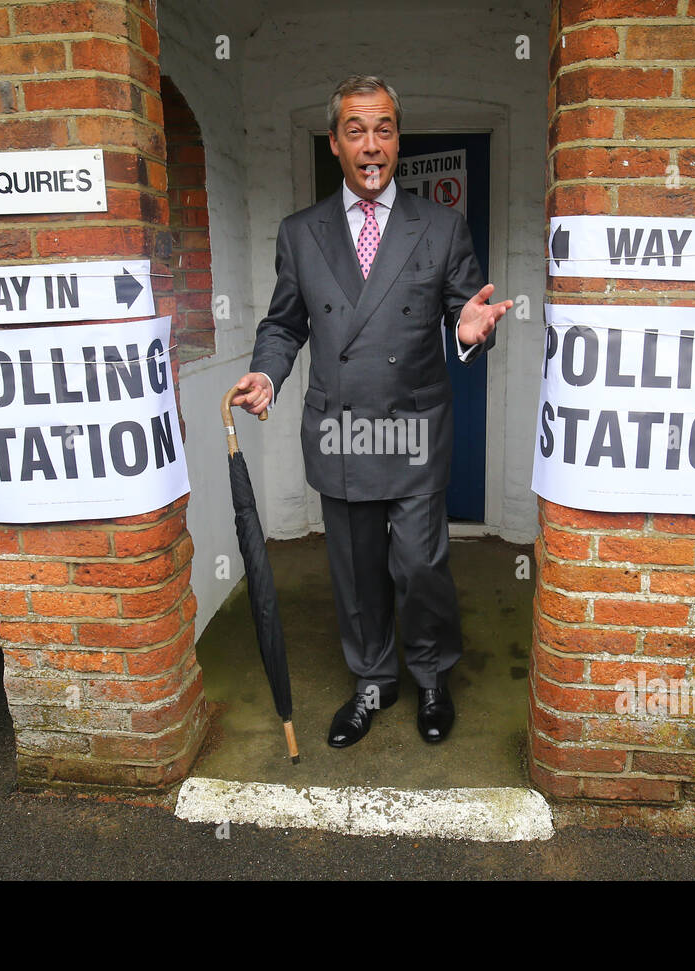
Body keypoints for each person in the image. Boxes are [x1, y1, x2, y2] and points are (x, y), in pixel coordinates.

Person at [232, 74, 511, 748]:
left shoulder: (440, 228)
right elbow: (283, 325)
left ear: (397, 138)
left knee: (419, 565)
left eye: (383, 128)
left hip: (414, 427)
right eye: (355, 129)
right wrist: (267, 373)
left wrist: (473, 332)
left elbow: (467, 309)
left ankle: (433, 673)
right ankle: (373, 679)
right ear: (335, 142)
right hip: (340, 427)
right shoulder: (301, 234)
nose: (371, 143)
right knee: (355, 571)